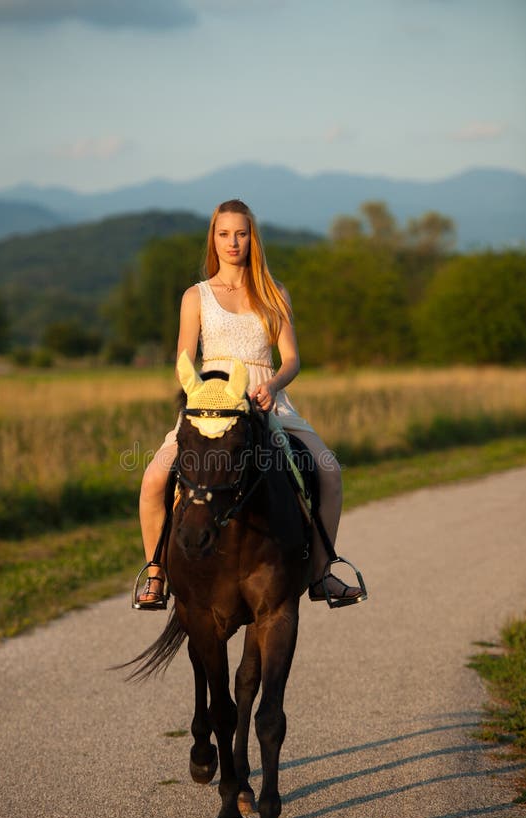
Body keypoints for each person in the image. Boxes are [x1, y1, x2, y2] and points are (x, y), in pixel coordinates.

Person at [135, 198, 364, 609]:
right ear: (214, 239)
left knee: (328, 471)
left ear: (252, 238)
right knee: (153, 478)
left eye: (241, 233)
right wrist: (205, 397)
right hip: (212, 405)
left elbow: (291, 359)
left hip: (266, 399)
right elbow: (183, 363)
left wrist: (273, 386)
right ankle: (156, 574)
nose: (232, 242)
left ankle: (322, 574)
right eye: (224, 234)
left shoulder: (275, 292)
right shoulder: (196, 296)